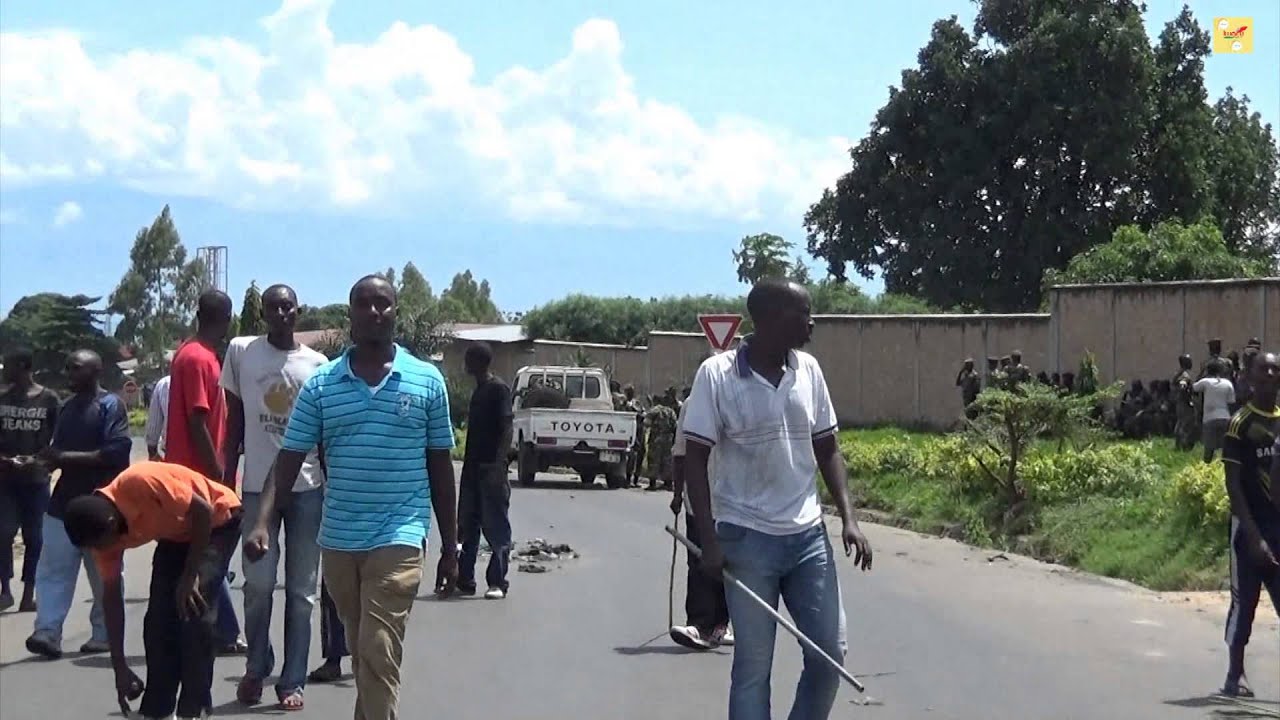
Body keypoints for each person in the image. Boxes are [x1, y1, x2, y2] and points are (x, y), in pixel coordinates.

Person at [244, 274, 459, 720]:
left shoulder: (426, 381)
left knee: (377, 649)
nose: (375, 311)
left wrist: (451, 548)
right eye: (365, 304)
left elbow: (441, 468)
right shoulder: (322, 386)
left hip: (400, 536)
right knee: (365, 653)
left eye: (384, 303)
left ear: (395, 311)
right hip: (340, 542)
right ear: (351, 315)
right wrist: (262, 521)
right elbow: (287, 461)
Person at [682, 278, 873, 720]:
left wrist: (849, 519)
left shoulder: (809, 370)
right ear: (768, 319)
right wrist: (709, 540)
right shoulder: (717, 375)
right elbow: (695, 460)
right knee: (753, 667)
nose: (812, 321)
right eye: (802, 312)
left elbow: (828, 447)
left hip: (808, 537)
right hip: (745, 539)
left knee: (829, 656)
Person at [62, 461, 243, 720]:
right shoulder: (100, 538)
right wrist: (120, 668)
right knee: (157, 621)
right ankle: (157, 710)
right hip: (175, 534)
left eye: (107, 542)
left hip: (216, 521)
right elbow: (111, 600)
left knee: (194, 612)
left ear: (112, 521)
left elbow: (202, 510)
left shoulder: (141, 481)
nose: (107, 549)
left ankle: (195, 708)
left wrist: (190, 575)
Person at [221, 284, 328, 710]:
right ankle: (255, 666)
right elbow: (234, 422)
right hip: (253, 489)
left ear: (298, 311)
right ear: (262, 314)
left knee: (301, 592)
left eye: (288, 306)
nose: (281, 312)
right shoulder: (242, 352)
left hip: (306, 489)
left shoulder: (318, 364)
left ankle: (292, 680)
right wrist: (225, 481)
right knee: (258, 585)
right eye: (273, 307)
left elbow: (324, 436)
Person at [24, 349, 131, 659]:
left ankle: (104, 634)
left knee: (103, 576)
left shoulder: (111, 406)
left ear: (95, 372)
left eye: (77, 368)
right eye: (68, 367)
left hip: (101, 508)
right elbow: (58, 451)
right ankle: (47, 631)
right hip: (62, 507)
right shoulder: (66, 408)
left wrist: (64, 458)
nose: (69, 373)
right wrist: (43, 462)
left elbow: (116, 454)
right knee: (53, 571)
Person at [167, 289, 246, 656]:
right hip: (199, 478)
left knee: (207, 556)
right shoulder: (200, 358)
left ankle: (225, 631)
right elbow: (198, 421)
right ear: (227, 320)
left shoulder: (192, 355)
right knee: (209, 557)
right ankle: (217, 631)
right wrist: (218, 477)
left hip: (191, 475)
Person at [1219, 352, 1279, 699]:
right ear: (1251, 377)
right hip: (1248, 529)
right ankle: (1234, 673)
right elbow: (1234, 484)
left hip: (1279, 527)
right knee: (1246, 605)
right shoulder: (1240, 423)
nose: (1271, 374)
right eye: (1264, 369)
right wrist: (1254, 536)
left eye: (1276, 369)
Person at [669, 377, 733, 651]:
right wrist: (676, 494)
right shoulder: (692, 406)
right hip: (701, 500)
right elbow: (680, 453)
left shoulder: (739, 399)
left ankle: (722, 624)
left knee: (731, 565)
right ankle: (700, 625)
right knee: (699, 561)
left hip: (735, 504)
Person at [0, 347, 60, 612]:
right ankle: (5, 590)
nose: (5, 370)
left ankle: (28, 594)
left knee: (35, 538)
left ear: (23, 367)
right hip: (5, 480)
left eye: (9, 365)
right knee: (3, 533)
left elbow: (57, 439)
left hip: (36, 480)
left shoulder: (48, 399)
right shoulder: (1, 397)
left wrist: (42, 460)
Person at [457, 342, 514, 599]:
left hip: (491, 470)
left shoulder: (498, 389)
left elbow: (506, 428)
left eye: (468, 359)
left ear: (479, 362)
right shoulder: (479, 391)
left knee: (496, 528)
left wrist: (499, 466)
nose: (465, 364)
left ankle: (498, 581)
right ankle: (465, 579)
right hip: (472, 469)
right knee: (468, 526)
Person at [1194, 360, 1236, 463]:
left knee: (1209, 449)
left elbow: (1194, 387)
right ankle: (1223, 469)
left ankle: (1207, 469)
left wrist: (1201, 373)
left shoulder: (1205, 382)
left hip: (1209, 419)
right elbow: (1231, 403)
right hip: (1225, 418)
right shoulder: (1228, 383)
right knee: (1225, 448)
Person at [645, 399, 678, 491]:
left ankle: (652, 484)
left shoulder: (654, 410)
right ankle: (668, 483)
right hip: (668, 439)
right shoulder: (671, 412)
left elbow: (646, 423)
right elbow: (675, 426)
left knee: (653, 460)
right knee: (667, 461)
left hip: (656, 439)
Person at [1172, 354, 1197, 451]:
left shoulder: (1179, 373)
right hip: (1185, 403)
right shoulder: (1184, 375)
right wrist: (1187, 397)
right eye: (1189, 361)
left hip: (1180, 403)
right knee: (1186, 425)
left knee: (1180, 423)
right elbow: (1183, 386)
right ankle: (1184, 446)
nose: (1191, 363)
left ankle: (1178, 445)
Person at [145, 370, 170, 460]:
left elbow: (153, 429)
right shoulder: (211, 379)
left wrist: (153, 455)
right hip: (207, 454)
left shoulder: (165, 383)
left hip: (172, 454)